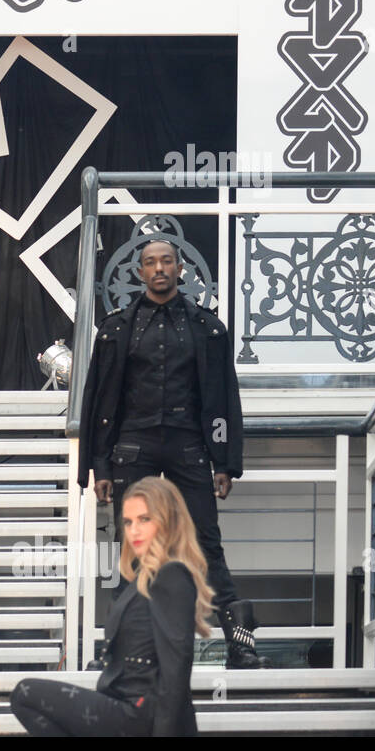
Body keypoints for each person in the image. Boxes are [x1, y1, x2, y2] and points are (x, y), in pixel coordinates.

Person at [77, 238, 269, 668]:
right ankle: (119, 650)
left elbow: (224, 399)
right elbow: (100, 400)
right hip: (133, 443)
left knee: (206, 542)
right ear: (139, 272)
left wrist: (225, 462)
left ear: (180, 269)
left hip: (188, 443)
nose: (159, 268)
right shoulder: (114, 328)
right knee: (132, 544)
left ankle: (239, 644)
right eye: (150, 262)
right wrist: (100, 464)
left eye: (166, 261)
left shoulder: (208, 328)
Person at [10, 477, 212, 736]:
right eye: (128, 522)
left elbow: (176, 669)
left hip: (138, 712)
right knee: (25, 697)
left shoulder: (171, 575)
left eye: (144, 519)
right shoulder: (143, 578)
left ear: (168, 521)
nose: (134, 531)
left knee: (25, 693)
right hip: (124, 705)